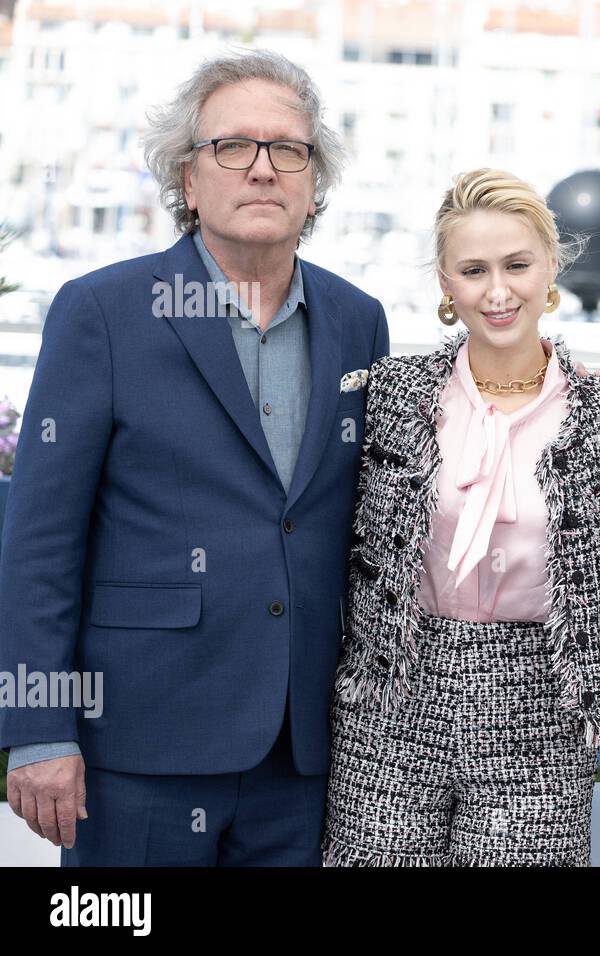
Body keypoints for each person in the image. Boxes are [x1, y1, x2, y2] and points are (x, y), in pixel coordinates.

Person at [0, 50, 390, 865]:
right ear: (187, 174)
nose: (262, 168)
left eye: (289, 149)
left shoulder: (359, 321)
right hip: (139, 745)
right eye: (232, 147)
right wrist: (38, 731)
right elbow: (40, 540)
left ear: (315, 181)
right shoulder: (101, 312)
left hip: (303, 754)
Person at [323, 168, 600, 866]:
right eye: (473, 270)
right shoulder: (391, 395)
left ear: (551, 267)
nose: (498, 291)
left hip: (542, 707)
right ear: (446, 284)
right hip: (393, 698)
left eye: (517, 265)